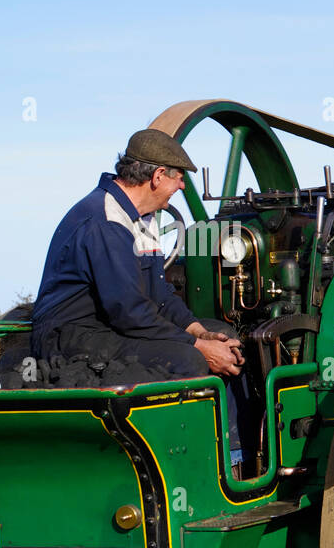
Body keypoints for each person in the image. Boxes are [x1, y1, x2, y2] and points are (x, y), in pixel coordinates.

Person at [30, 129, 243, 381]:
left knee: (225, 335)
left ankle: (235, 422)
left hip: (109, 325)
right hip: (72, 335)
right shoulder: (107, 221)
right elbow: (129, 312)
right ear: (158, 176)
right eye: (180, 178)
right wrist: (197, 346)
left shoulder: (143, 216)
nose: (183, 186)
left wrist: (198, 332)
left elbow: (160, 294)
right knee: (188, 359)